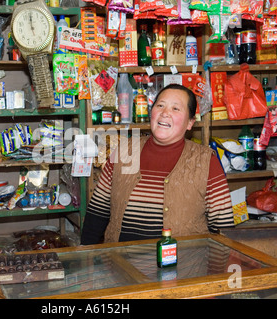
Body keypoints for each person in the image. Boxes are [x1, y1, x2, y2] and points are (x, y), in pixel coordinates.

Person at [81, 84, 234, 245]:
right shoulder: (124, 151)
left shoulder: (206, 161)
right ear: (151, 113)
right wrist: (87, 257)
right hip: (120, 264)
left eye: (176, 109)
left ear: (190, 123)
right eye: (160, 105)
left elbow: (223, 228)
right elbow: (97, 212)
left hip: (185, 267)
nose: (165, 113)